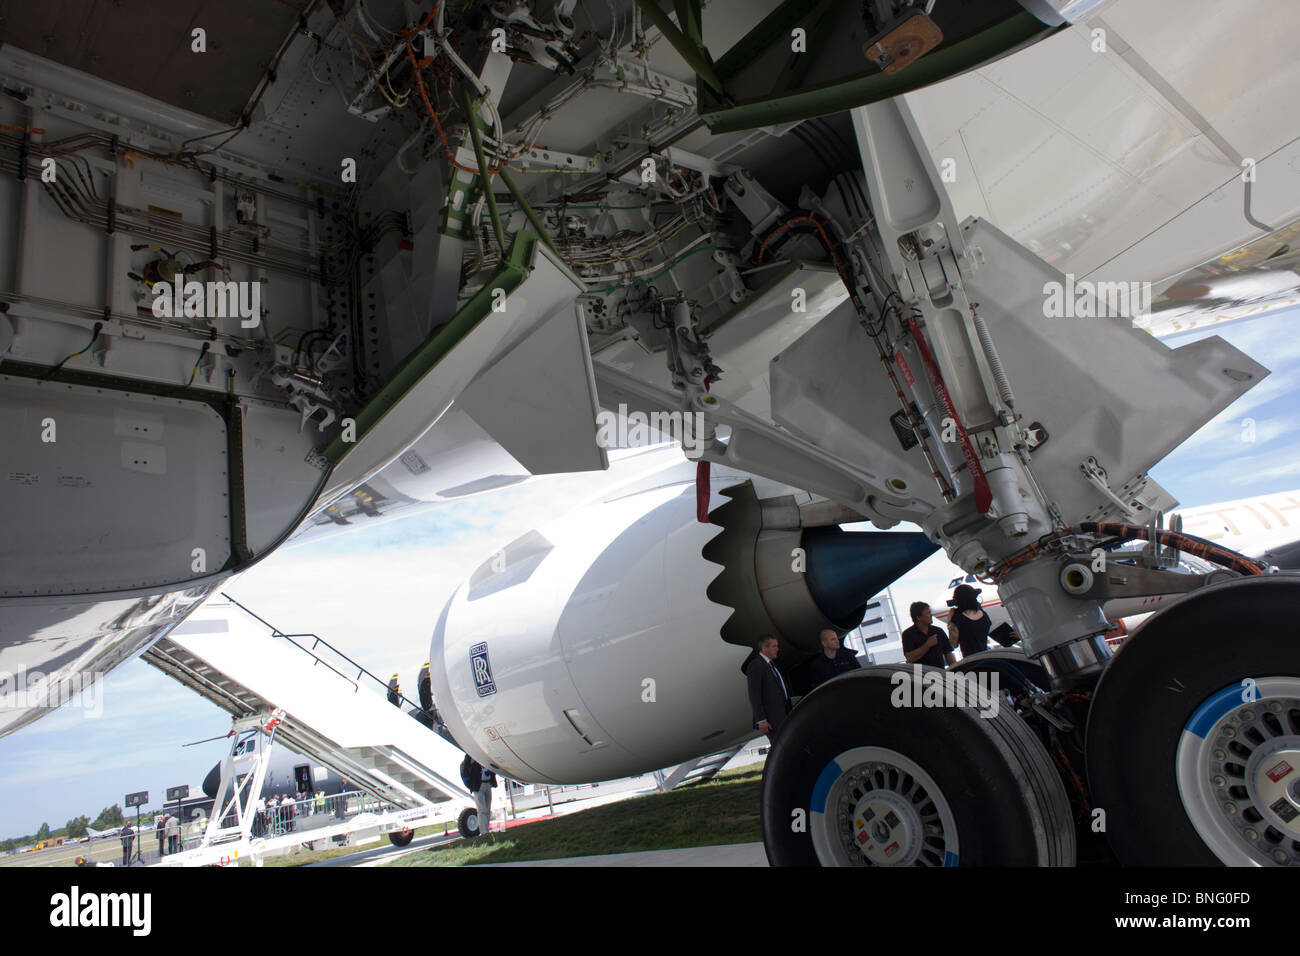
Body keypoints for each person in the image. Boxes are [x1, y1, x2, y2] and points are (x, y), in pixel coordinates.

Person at [743, 635, 792, 741]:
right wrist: (761, 720)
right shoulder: (756, 665)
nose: (777, 649)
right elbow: (754, 694)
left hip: (783, 715)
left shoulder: (771, 664)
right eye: (774, 646)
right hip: (772, 719)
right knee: (781, 744)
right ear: (765, 648)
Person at [901, 602, 956, 667]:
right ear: (918, 617)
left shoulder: (938, 631)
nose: (931, 615)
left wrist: (956, 671)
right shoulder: (908, 634)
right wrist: (927, 644)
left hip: (940, 672)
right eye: (928, 613)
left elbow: (948, 653)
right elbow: (909, 658)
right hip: (921, 675)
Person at [947, 584, 991, 658]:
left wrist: (950, 621)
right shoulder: (984, 615)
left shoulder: (957, 618)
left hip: (971, 660)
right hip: (986, 657)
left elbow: (953, 644)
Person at [460, 753, 497, 837]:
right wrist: (470, 784)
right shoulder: (470, 757)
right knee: (481, 810)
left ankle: (486, 829)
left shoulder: (485, 756)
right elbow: (465, 769)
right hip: (478, 785)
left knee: (487, 809)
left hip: (487, 783)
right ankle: (484, 832)